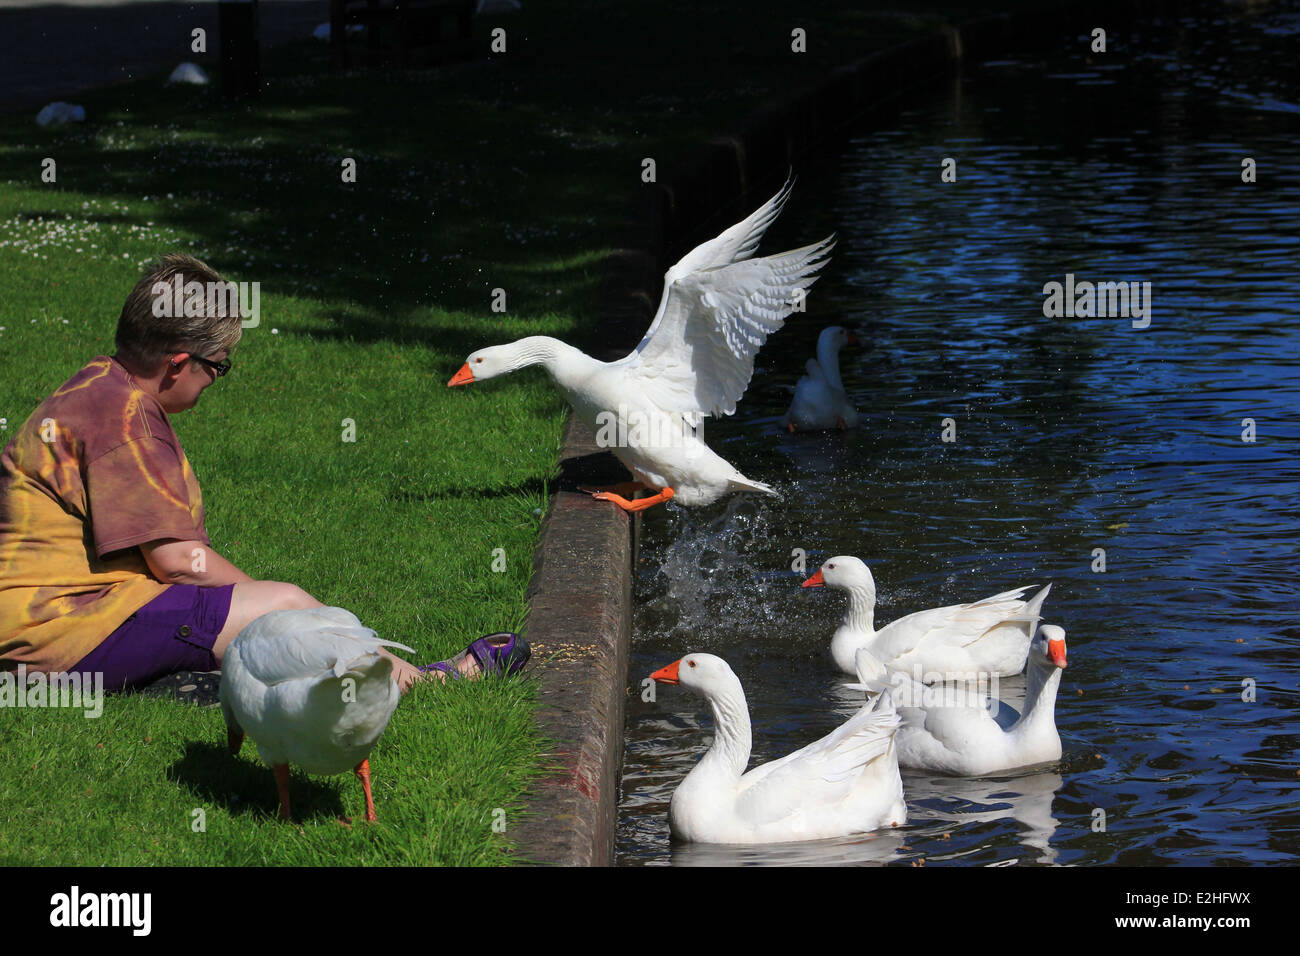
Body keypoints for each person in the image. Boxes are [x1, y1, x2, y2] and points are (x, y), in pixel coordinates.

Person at [0, 253, 527, 693]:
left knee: (257, 622)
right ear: (178, 364)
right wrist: (272, 609)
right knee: (285, 605)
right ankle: (423, 683)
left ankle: (197, 674)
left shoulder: (98, 382)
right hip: (55, 639)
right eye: (219, 365)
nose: (216, 380)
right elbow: (177, 563)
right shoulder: (127, 423)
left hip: (35, 622)